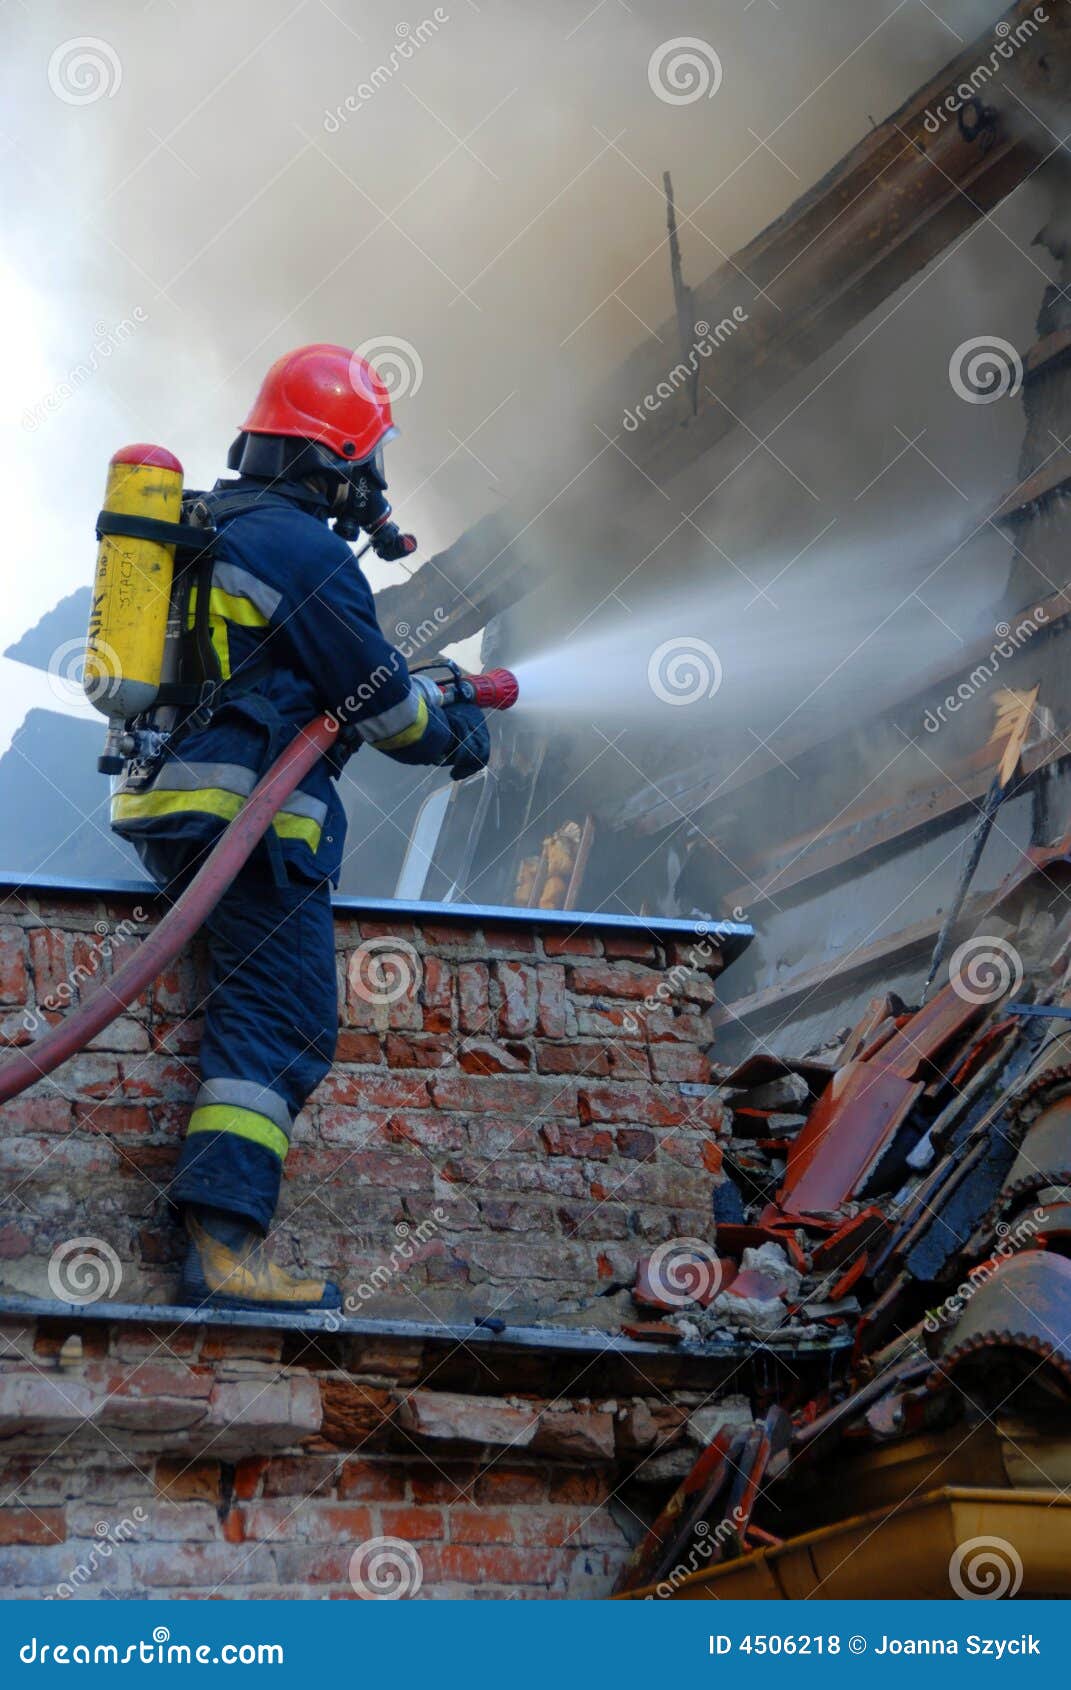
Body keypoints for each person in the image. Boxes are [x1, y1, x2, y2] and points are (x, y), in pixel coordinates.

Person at [110, 343, 489, 1312]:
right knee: (282, 1022)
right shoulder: (305, 551)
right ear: (333, 463)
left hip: (177, 807)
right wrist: (450, 732)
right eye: (363, 463)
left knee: (256, 1010)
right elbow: (381, 703)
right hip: (252, 821)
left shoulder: (211, 526)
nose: (372, 488)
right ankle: (224, 1251)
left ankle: (218, 1236)